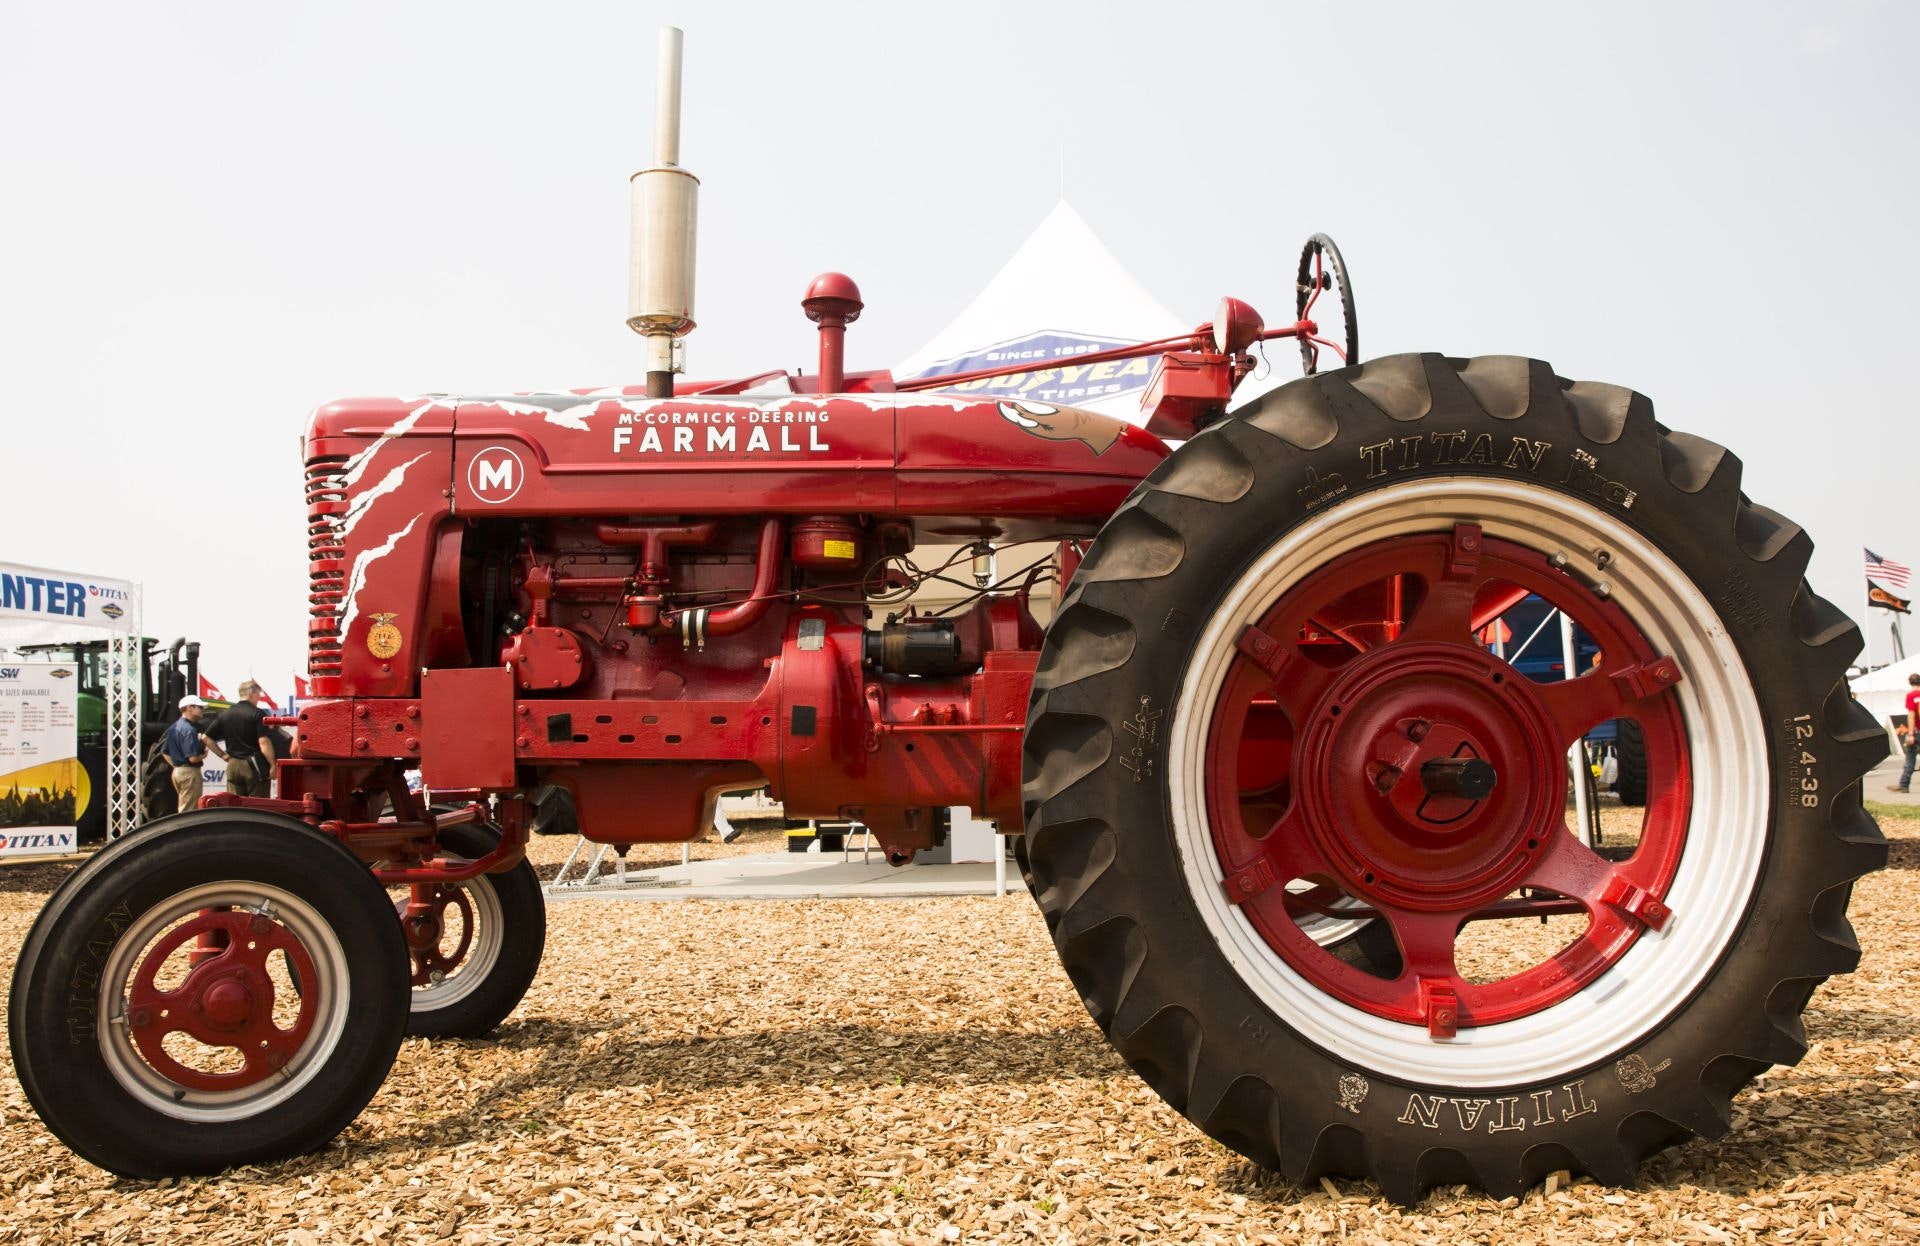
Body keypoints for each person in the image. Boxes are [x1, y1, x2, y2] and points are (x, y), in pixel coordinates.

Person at [203, 679, 277, 798]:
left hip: (233, 765)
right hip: (254, 766)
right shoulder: (258, 714)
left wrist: (223, 755)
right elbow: (263, 742)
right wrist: (273, 765)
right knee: (258, 807)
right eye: (258, 695)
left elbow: (206, 737)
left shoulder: (225, 714)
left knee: (234, 807)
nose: (259, 698)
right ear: (251, 694)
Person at [162, 695, 225, 812]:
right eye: (200, 707)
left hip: (178, 771)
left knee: (185, 805)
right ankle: (184, 830)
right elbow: (193, 758)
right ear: (190, 708)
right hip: (189, 772)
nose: (202, 710)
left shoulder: (174, 727)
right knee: (189, 810)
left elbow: (165, 752)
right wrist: (203, 756)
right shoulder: (189, 729)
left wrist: (177, 766)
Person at [1890, 673, 1920, 793]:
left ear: (1910, 682)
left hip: (1917, 732)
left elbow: (1912, 715)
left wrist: (1911, 734)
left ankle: (1904, 784)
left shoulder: (1911, 695)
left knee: (1910, 758)